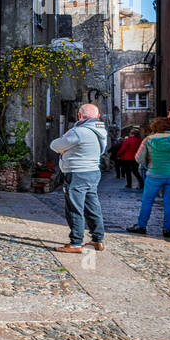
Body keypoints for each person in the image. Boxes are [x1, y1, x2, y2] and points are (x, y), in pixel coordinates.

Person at [50, 103, 108, 253]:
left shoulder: (78, 132)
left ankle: (76, 243)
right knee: (92, 207)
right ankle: (97, 239)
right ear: (98, 116)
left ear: (80, 116)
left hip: (77, 173)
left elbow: (55, 145)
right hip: (93, 172)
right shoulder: (101, 131)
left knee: (74, 208)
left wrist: (64, 151)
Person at [125, 117, 170, 238]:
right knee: (169, 202)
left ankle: (141, 226)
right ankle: (167, 229)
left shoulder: (148, 140)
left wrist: (149, 165)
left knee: (147, 201)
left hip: (154, 174)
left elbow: (139, 158)